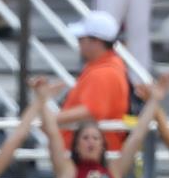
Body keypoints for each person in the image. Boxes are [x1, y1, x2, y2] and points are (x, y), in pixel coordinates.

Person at [56, 11, 130, 151]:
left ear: (96, 41)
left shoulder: (104, 72)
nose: (79, 45)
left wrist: (51, 119)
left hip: (92, 161)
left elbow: (92, 110)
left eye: (81, 40)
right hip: (90, 156)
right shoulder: (105, 67)